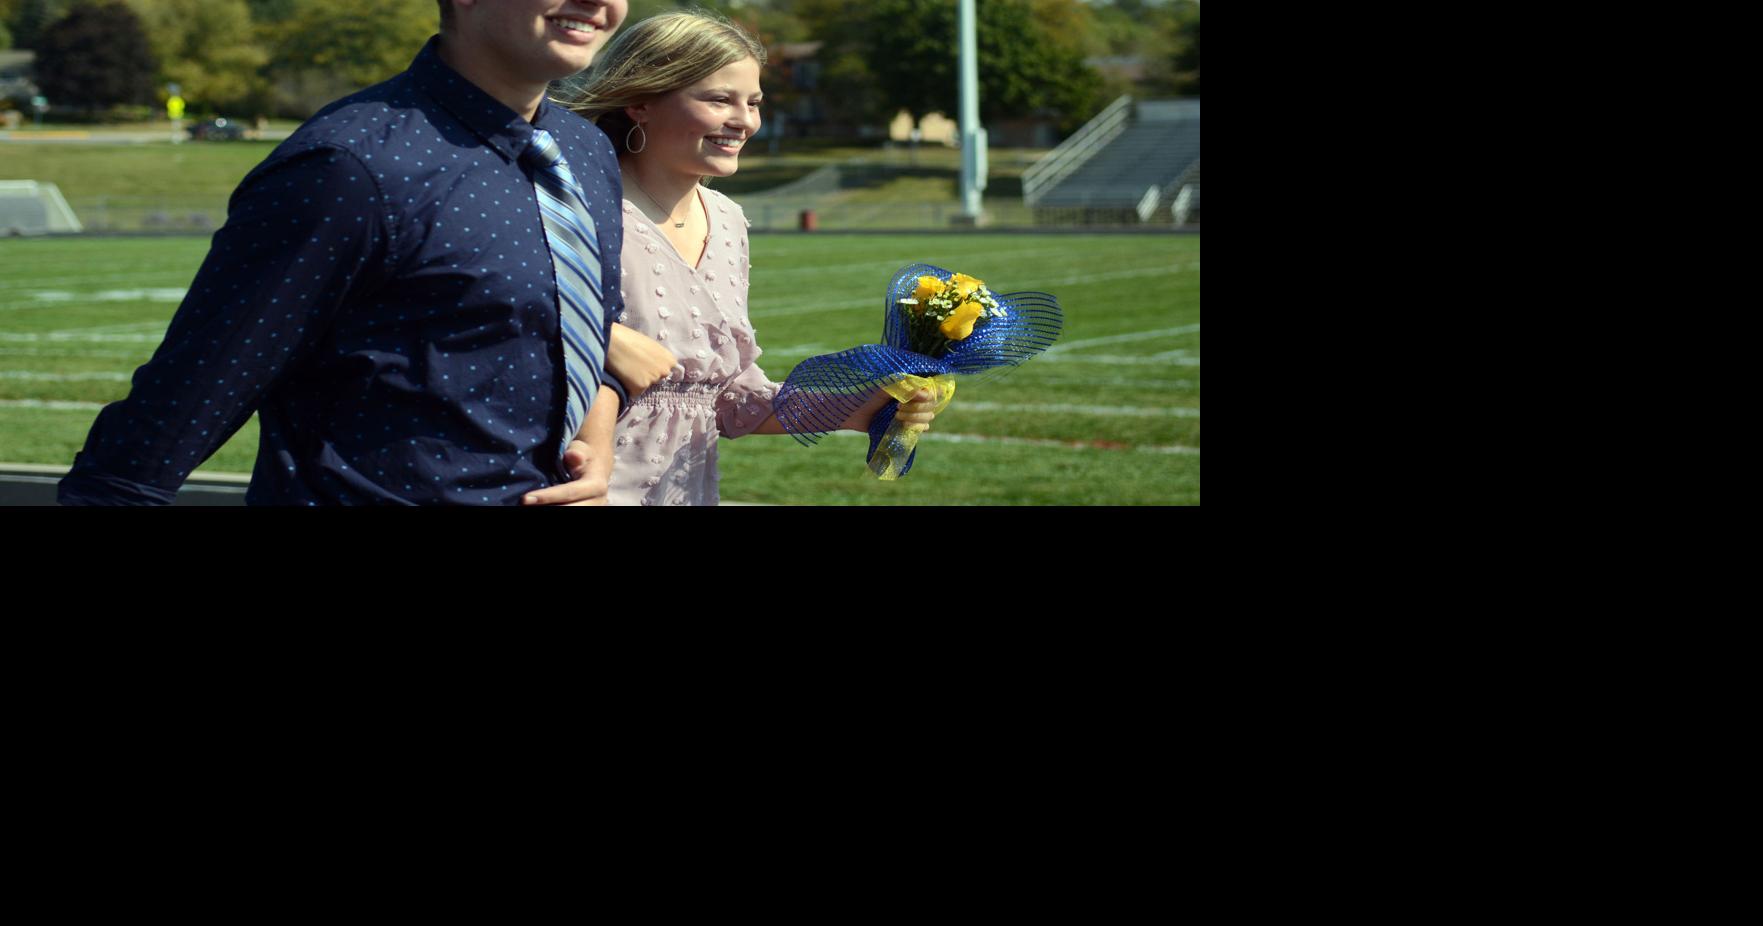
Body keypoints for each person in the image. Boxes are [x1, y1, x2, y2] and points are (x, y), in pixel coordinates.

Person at [57, 0, 675, 505]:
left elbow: (591, 324)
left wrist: (596, 428)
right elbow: (168, 422)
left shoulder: (585, 150)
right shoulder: (348, 167)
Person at [565, 10, 937, 506]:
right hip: (574, 488)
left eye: (754, 102)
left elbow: (725, 400)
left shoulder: (728, 220)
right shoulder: (576, 205)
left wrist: (857, 408)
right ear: (641, 101)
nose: (744, 120)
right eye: (719, 99)